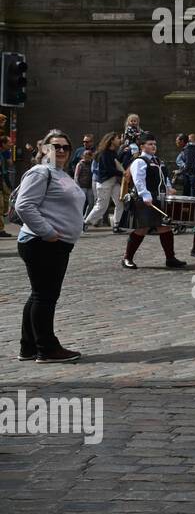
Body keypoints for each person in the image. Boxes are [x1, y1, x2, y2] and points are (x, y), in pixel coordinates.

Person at [14, 130, 85, 363]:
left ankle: (29, 347)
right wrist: (48, 232)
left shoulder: (60, 173)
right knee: (45, 296)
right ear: (44, 149)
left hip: (56, 244)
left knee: (39, 295)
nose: (61, 151)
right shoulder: (41, 172)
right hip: (42, 243)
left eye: (65, 147)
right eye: (55, 146)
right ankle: (47, 348)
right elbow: (24, 206)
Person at [121, 133, 187, 270]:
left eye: (154, 144)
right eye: (150, 144)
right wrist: (145, 195)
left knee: (165, 227)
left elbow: (164, 177)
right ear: (142, 146)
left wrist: (169, 188)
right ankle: (127, 258)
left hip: (159, 198)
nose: (153, 146)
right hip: (144, 199)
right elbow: (138, 181)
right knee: (142, 228)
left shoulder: (158, 161)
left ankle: (170, 258)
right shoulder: (140, 161)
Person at [84, 133, 125, 231]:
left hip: (113, 182)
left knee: (120, 203)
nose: (119, 140)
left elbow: (118, 162)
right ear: (111, 140)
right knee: (102, 206)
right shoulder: (104, 153)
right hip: (104, 182)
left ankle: (116, 225)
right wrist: (123, 174)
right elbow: (109, 169)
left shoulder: (113, 152)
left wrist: (123, 150)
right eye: (117, 138)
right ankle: (85, 223)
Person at [73, 145, 95, 223]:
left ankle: (85, 218)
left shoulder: (92, 164)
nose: (87, 157)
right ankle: (79, 219)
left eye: (89, 156)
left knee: (91, 203)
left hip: (90, 186)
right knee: (81, 203)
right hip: (82, 186)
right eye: (85, 155)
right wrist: (77, 186)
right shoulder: (80, 164)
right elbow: (76, 176)